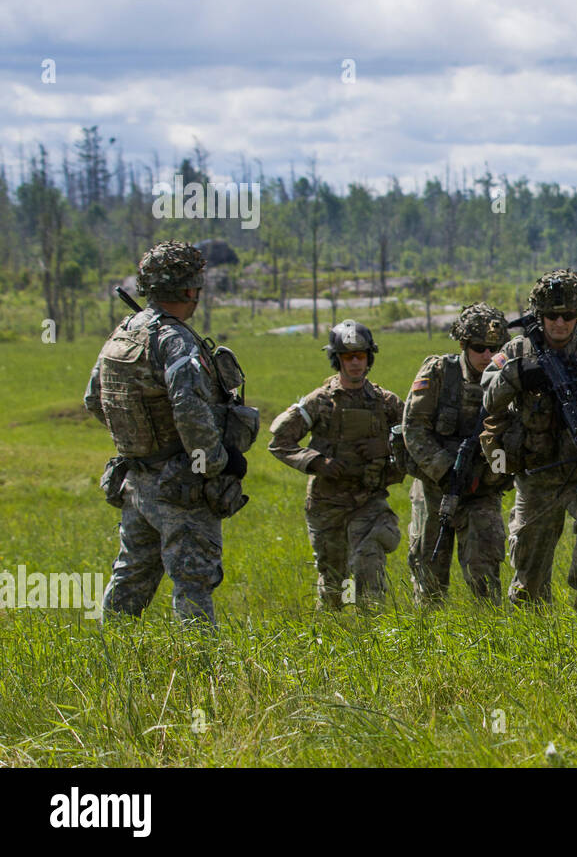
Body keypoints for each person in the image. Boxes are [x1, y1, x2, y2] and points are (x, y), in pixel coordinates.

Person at [85, 240, 256, 626]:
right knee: (194, 582)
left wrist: (138, 441)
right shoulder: (175, 340)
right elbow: (190, 409)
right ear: (190, 289)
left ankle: (109, 661)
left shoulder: (123, 333)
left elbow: (94, 401)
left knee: (130, 579)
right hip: (181, 485)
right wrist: (218, 462)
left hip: (136, 480)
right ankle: (201, 671)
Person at [480, 270, 577, 612]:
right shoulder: (516, 351)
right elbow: (488, 399)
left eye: (568, 316)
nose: (559, 323)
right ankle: (532, 624)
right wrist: (515, 374)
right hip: (538, 474)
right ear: (539, 316)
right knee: (529, 576)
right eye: (551, 316)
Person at [268, 320, 404, 610]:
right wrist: (316, 462)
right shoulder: (320, 402)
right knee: (335, 580)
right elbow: (280, 441)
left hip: (370, 500)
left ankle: (372, 635)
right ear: (336, 360)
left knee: (368, 564)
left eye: (360, 356)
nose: (355, 363)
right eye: (347, 357)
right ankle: (342, 634)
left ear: (369, 358)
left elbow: (417, 440)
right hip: (327, 503)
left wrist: (387, 447)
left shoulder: (387, 403)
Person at [403, 303, 512, 605]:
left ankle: (489, 639)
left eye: (495, 348)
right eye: (479, 348)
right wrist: (445, 469)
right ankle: (425, 644)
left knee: (485, 574)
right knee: (428, 575)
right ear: (463, 345)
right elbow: (413, 428)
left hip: (481, 491)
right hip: (434, 488)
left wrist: (490, 474)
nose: (487, 357)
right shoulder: (439, 372)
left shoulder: (509, 379)